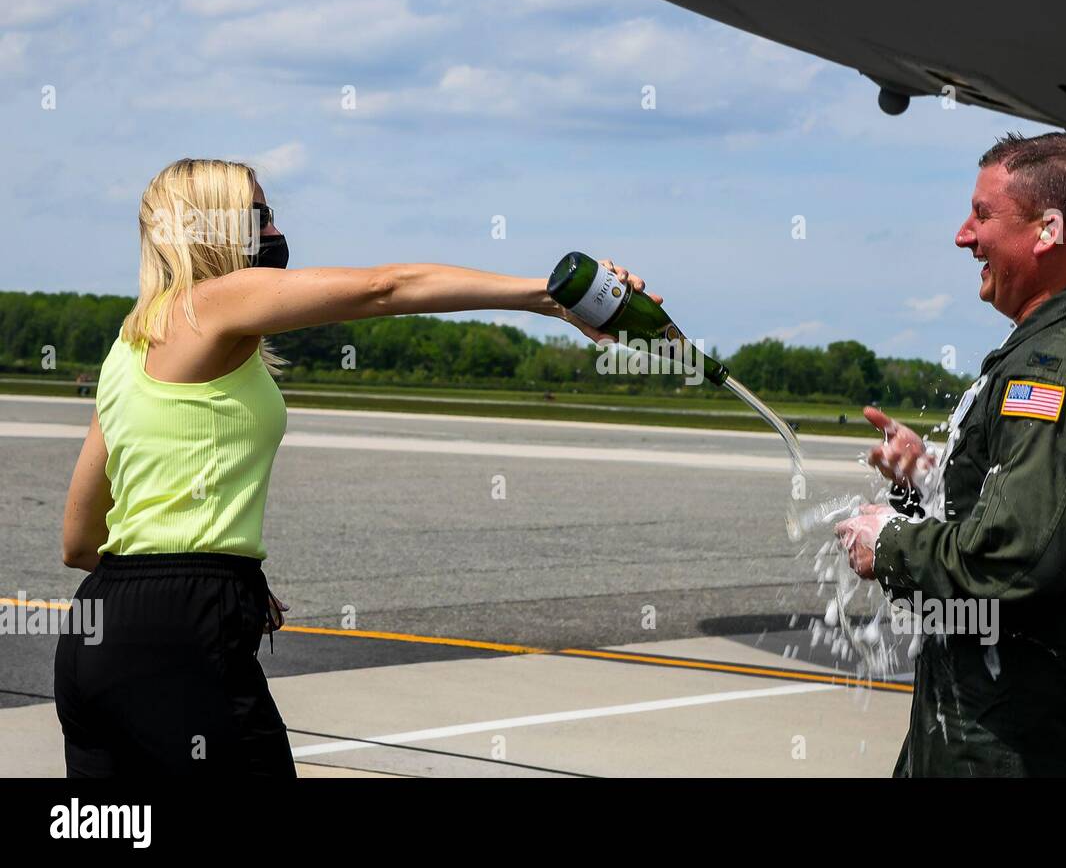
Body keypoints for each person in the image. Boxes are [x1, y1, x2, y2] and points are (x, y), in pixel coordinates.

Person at [56, 157, 646, 776]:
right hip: (182, 642)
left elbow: (78, 542)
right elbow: (384, 288)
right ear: (213, 227)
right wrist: (547, 297)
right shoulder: (214, 302)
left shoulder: (128, 349)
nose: (274, 228)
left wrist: (206, 577)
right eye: (259, 214)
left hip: (97, 637)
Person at [835, 131, 1066, 777]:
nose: (964, 235)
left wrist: (891, 544)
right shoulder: (1058, 349)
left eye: (983, 215)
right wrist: (929, 482)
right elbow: (1025, 517)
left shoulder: (1054, 374)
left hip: (1008, 745)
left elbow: (1019, 557)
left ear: (1046, 231)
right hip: (989, 730)